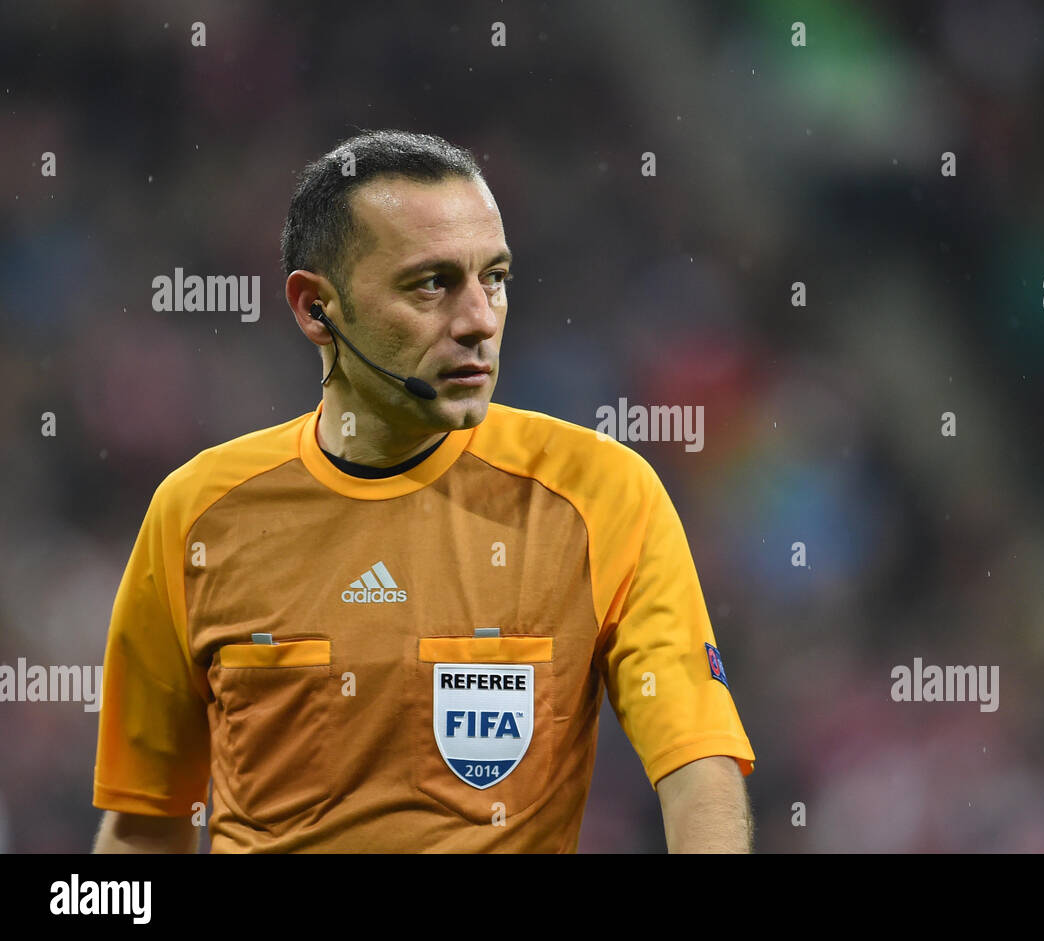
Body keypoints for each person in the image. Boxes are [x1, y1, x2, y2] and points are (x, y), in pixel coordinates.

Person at [90, 129, 755, 853]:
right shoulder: (197, 513)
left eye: (493, 278)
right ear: (317, 308)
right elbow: (146, 824)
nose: (478, 320)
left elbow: (699, 766)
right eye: (432, 284)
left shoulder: (601, 495)